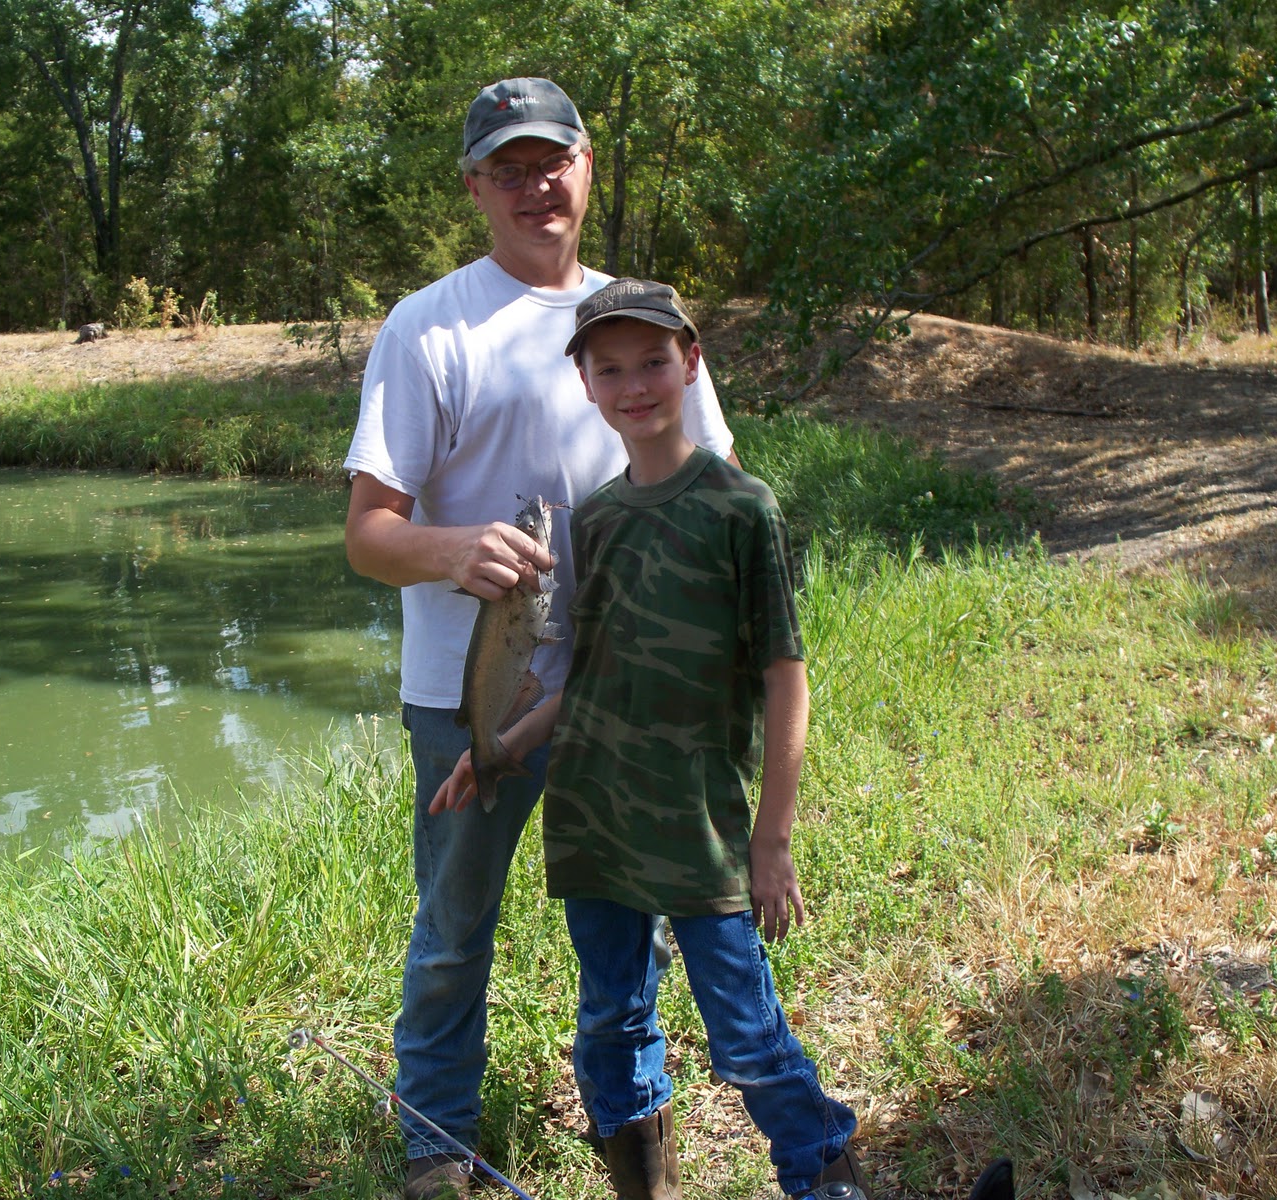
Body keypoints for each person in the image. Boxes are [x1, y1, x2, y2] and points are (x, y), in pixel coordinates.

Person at [341, 80, 735, 1200]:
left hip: (622, 688)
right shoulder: (428, 325)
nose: (533, 186)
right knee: (456, 927)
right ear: (474, 187)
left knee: (625, 928)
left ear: (587, 164)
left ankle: (634, 1137)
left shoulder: (638, 314)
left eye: (549, 160)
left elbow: (716, 482)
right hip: (467, 695)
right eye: (506, 169)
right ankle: (438, 1147)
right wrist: (452, 548)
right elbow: (369, 534)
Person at [431, 279, 868, 1200]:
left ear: (691, 364)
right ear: (586, 385)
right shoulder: (592, 520)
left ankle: (824, 1177)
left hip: (699, 830)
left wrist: (772, 840)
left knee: (746, 1035)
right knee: (610, 1024)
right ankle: (647, 1187)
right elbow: (587, 674)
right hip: (594, 823)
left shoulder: (742, 509)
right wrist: (498, 748)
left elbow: (785, 679)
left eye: (654, 362)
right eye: (611, 368)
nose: (635, 385)